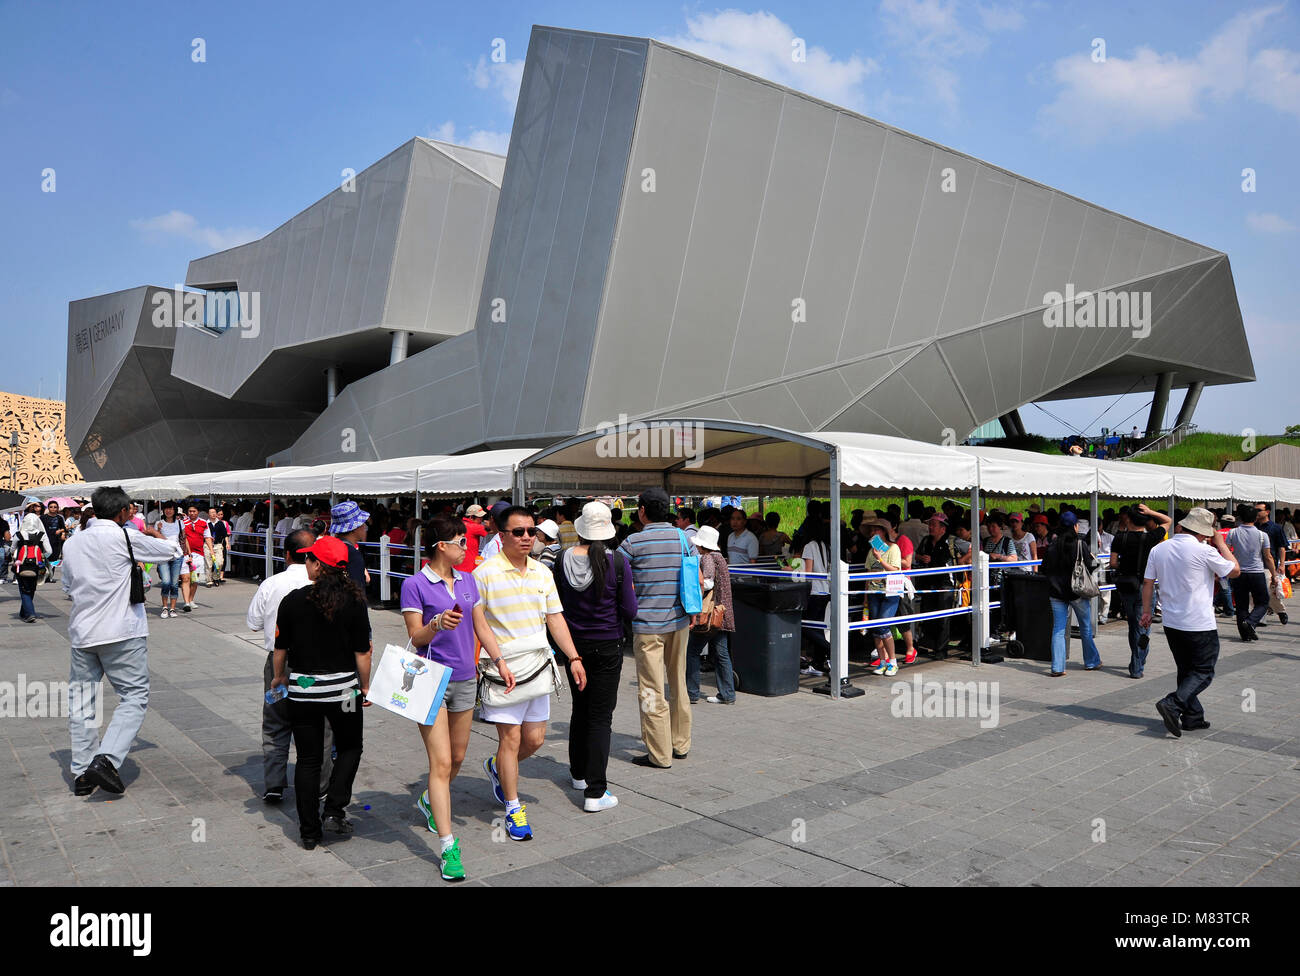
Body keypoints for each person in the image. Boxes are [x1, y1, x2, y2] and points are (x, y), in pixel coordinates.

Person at [402, 515, 510, 880]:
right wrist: (435, 625)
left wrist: (498, 660)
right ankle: (450, 848)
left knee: (459, 756)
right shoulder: (415, 584)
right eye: (460, 541)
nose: (467, 546)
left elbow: (481, 625)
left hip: (466, 678)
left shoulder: (468, 581)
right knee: (442, 763)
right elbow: (415, 637)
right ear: (441, 546)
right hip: (430, 680)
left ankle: (430, 801)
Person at [60, 485, 183, 795]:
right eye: (130, 509)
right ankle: (105, 760)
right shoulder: (126, 536)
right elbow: (173, 551)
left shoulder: (73, 543)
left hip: (82, 632)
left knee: (82, 703)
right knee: (134, 696)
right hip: (122, 631)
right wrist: (155, 535)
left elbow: (66, 586)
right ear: (122, 512)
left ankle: (82, 774)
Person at [474, 506, 585, 840]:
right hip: (502, 668)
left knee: (534, 739)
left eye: (531, 531)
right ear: (502, 535)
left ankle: (497, 768)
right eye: (518, 532)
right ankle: (512, 806)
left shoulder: (542, 573)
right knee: (510, 739)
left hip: (538, 665)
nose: (527, 537)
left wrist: (574, 657)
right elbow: (479, 623)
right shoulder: (485, 573)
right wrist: (492, 660)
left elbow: (555, 618)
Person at [270, 535, 372, 849]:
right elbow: (363, 652)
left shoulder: (293, 600)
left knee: (308, 759)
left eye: (311, 559)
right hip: (343, 692)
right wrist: (364, 685)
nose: (308, 563)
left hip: (303, 691)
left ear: (317, 565)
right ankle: (334, 808)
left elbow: (280, 649)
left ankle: (309, 832)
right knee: (350, 747)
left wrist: (278, 678)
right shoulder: (354, 601)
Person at [552, 502, 636, 812]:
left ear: (581, 529)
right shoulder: (617, 563)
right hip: (608, 646)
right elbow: (630, 610)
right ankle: (595, 791)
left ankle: (578, 773)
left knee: (581, 709)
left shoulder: (561, 560)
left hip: (572, 648)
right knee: (601, 718)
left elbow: (555, 607)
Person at [247, 527, 332, 806]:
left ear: (286, 555)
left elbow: (253, 622)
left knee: (276, 723)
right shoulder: (325, 585)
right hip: (316, 666)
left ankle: (274, 784)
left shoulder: (271, 584)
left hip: (277, 666)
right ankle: (321, 786)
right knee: (318, 724)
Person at [1141, 508, 1240, 736]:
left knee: (1186, 671)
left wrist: (1146, 612)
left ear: (1181, 526)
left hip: (1171, 621)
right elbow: (1235, 570)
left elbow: (1148, 582)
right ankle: (1172, 704)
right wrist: (1221, 544)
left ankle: (1193, 717)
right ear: (1204, 533)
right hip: (1198, 623)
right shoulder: (1204, 551)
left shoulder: (1159, 549)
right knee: (1204, 671)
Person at [619, 487, 698, 768]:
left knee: (651, 690)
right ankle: (680, 743)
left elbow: (617, 577)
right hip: (679, 622)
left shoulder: (632, 543)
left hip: (647, 626)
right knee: (678, 683)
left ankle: (659, 753)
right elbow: (695, 576)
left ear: (642, 511)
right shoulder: (683, 538)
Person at [1108, 504, 1171, 677]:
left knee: (1133, 625)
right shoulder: (1151, 537)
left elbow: (1113, 563)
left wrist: (1125, 565)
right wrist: (1150, 512)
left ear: (1128, 518)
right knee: (1143, 625)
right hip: (1146, 586)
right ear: (1145, 521)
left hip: (1127, 585)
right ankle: (1138, 663)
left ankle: (1137, 660)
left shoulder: (1120, 538)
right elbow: (1168, 520)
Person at [1039, 511, 1102, 676]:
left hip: (1056, 593)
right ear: (1075, 526)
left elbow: (1043, 569)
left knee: (1058, 629)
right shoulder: (1080, 544)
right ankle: (1091, 661)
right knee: (1085, 627)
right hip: (1078, 592)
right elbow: (1090, 566)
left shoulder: (1052, 545)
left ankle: (1058, 667)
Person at [684, 524, 736, 705]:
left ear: (701, 544)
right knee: (722, 654)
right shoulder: (720, 558)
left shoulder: (707, 558)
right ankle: (727, 694)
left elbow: (707, 583)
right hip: (722, 614)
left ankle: (691, 693)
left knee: (692, 652)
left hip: (709, 613)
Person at [860, 518, 902, 676]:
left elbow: (895, 570)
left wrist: (880, 559)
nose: (873, 533)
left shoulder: (894, 548)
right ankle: (883, 661)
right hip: (873, 592)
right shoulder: (871, 551)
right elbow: (868, 574)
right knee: (876, 628)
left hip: (890, 592)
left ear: (884, 531)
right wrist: (865, 595)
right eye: (871, 531)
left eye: (876, 530)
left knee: (884, 624)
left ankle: (893, 661)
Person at [1227, 507, 1276, 642]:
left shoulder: (1233, 532)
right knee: (1263, 602)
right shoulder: (1262, 535)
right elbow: (1268, 557)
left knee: (1241, 605)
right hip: (1257, 573)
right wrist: (1274, 574)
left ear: (1240, 518)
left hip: (1239, 573)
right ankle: (1251, 622)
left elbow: (1228, 551)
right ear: (1255, 519)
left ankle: (1245, 634)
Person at [915, 513, 955, 658]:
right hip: (928, 583)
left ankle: (941, 649)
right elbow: (916, 555)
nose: (930, 527)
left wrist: (962, 561)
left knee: (943, 618)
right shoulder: (926, 540)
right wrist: (922, 558)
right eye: (929, 524)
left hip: (945, 584)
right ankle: (929, 644)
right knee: (928, 615)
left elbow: (972, 549)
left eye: (933, 525)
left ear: (943, 528)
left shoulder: (951, 542)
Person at [12, 507, 52, 621]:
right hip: (37, 566)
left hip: (21, 565)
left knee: (24, 589)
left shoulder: (19, 534)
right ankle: (24, 612)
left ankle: (29, 614)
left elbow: (12, 549)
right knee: (32, 588)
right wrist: (42, 557)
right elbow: (49, 551)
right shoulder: (42, 535)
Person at [154, 502, 187, 618]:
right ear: (163, 510)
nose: (168, 511)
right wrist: (157, 530)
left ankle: (172, 608)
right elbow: (155, 539)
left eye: (171, 509)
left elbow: (183, 538)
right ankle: (164, 607)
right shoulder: (159, 523)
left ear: (175, 511)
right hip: (163, 556)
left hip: (177, 555)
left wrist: (188, 553)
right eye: (166, 509)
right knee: (166, 582)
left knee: (174, 583)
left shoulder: (180, 522)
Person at [329, 500, 371, 589]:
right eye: (363, 523)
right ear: (355, 528)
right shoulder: (352, 554)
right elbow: (357, 591)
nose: (365, 526)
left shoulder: (332, 547)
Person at [178, 503, 210, 611]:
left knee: (194, 579)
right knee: (185, 578)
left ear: (198, 512)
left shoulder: (203, 523)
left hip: (199, 554)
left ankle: (191, 599)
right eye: (190, 511)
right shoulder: (182, 522)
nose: (192, 513)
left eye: (194, 511)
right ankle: (186, 602)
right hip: (185, 554)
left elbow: (208, 537)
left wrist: (211, 551)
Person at [41, 500, 67, 584]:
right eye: (51, 507)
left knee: (54, 559)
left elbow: (64, 528)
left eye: (55, 507)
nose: (53, 509)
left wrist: (61, 532)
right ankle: (43, 576)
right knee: (44, 559)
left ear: (58, 508)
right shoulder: (43, 517)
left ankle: (50, 576)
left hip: (56, 541)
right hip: (45, 540)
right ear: (48, 508)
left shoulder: (59, 518)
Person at [456, 504, 488, 571]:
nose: (482, 519)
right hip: (469, 567)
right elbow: (492, 529)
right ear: (471, 517)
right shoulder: (474, 527)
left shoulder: (460, 524)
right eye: (479, 517)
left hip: (457, 565)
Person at [207, 507, 230, 586]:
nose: (213, 514)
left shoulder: (220, 523)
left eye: (214, 512)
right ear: (208, 514)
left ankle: (216, 577)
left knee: (219, 562)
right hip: (207, 545)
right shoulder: (205, 523)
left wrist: (227, 543)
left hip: (218, 545)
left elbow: (225, 534)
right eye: (211, 512)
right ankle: (209, 580)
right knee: (209, 564)